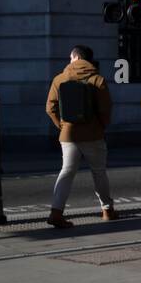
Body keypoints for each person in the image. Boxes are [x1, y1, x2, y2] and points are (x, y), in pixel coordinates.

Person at [45, 44, 118, 228]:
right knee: (99, 172)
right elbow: (106, 109)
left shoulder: (59, 79)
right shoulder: (98, 80)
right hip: (93, 134)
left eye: (71, 58)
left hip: (68, 135)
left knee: (67, 172)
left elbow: (50, 108)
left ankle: (56, 212)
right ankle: (107, 210)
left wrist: (62, 126)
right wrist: (101, 126)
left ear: (75, 58)